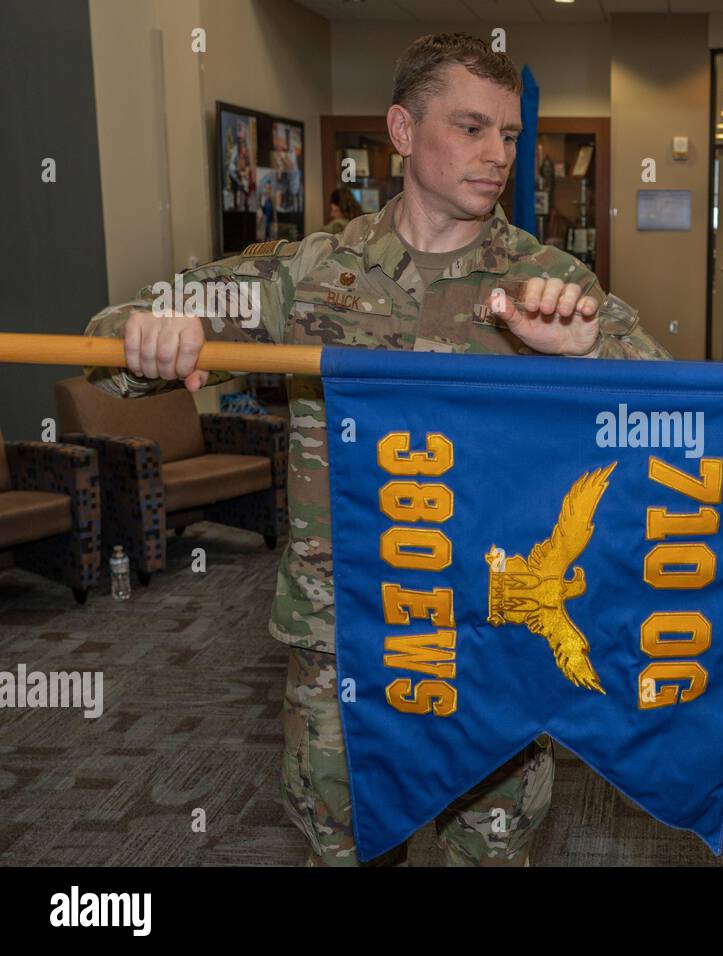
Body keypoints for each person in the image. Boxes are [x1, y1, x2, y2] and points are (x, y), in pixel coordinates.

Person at [81, 32, 669, 867]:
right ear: (400, 131)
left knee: (491, 857)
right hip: (346, 634)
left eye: (508, 134)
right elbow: (109, 339)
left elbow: (666, 399)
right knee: (346, 850)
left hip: (490, 635)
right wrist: (151, 336)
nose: (497, 154)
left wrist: (584, 353)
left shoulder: (544, 281)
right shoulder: (312, 273)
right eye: (471, 128)